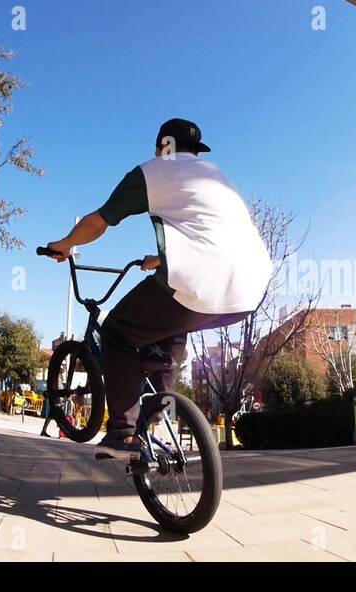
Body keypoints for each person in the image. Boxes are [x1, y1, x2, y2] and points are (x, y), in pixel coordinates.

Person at [44, 118, 272, 460]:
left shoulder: (153, 170)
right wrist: (164, 258)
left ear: (160, 146)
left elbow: (99, 221)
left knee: (118, 333)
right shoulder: (217, 176)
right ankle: (160, 404)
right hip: (249, 290)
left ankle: (123, 434)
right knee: (172, 322)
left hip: (198, 281)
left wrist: (65, 244)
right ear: (196, 151)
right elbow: (212, 235)